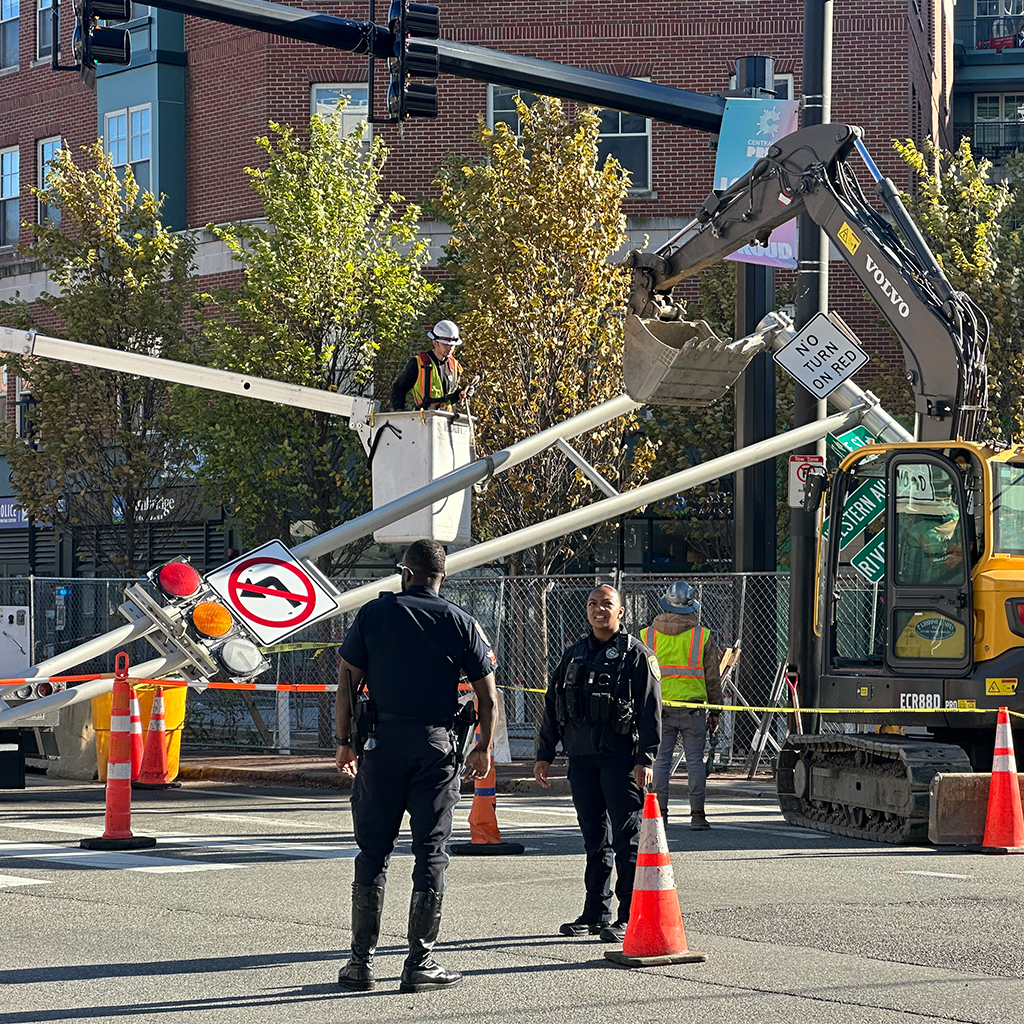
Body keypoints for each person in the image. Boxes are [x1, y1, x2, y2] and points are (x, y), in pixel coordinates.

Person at [335, 538, 498, 994]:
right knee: (431, 852)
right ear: (442, 577)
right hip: (435, 748)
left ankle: (360, 964)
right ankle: (419, 963)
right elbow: (487, 696)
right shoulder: (461, 621)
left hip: (380, 745)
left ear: (405, 573)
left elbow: (347, 681)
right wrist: (482, 747)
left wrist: (345, 743)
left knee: (373, 852)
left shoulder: (373, 613)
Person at [534, 584, 661, 943]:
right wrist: (544, 753)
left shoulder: (637, 655)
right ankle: (595, 912)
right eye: (592, 604)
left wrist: (645, 758)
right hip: (581, 759)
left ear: (621, 611)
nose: (598, 609)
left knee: (626, 839)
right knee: (594, 838)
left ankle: (628, 916)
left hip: (620, 760)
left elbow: (651, 711)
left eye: (607, 604)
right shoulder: (574, 653)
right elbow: (554, 705)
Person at [643, 580, 721, 831]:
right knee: (695, 761)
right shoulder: (702, 636)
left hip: (659, 708)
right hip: (693, 709)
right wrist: (716, 710)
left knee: (660, 761)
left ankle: (660, 815)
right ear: (691, 606)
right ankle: (697, 815)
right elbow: (712, 677)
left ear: (666, 604)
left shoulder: (647, 635)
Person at [391, 320, 466, 411]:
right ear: (435, 343)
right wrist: (399, 411)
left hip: (446, 417)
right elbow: (399, 388)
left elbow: (450, 393)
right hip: (423, 417)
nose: (450, 348)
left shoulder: (454, 365)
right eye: (445, 344)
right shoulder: (419, 363)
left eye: (452, 345)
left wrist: (460, 393)